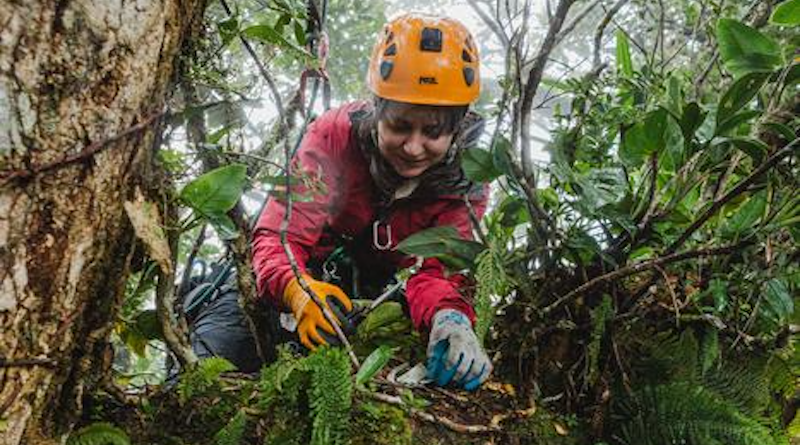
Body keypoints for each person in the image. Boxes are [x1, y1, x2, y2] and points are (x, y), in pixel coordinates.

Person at [251, 13, 492, 391]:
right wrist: (296, 289)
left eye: (432, 132)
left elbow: (439, 274)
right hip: (301, 278)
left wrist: (449, 318)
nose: (413, 148)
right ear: (377, 110)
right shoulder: (331, 135)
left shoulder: (467, 181)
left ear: (457, 127)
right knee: (223, 348)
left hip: (369, 295)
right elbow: (277, 234)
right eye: (398, 126)